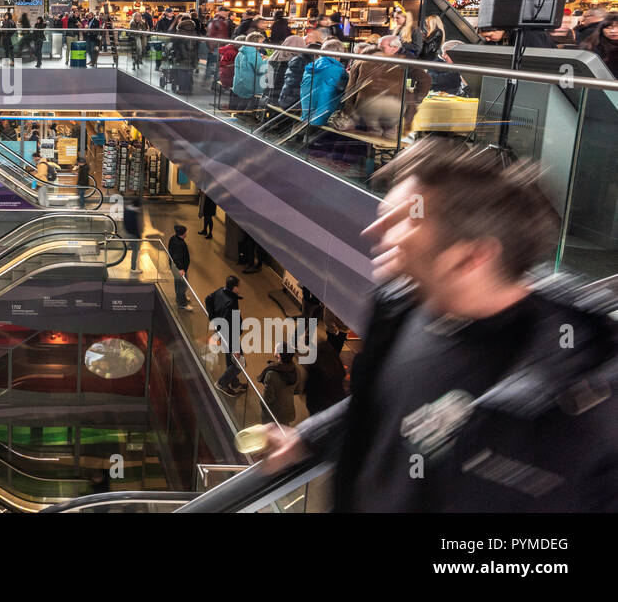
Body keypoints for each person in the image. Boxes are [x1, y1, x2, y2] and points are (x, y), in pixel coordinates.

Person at [260, 140, 618, 511]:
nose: (376, 228)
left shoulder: (576, 409)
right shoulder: (402, 310)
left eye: (406, 219)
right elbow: (383, 406)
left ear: (470, 258)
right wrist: (307, 436)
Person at [205, 276, 245, 396]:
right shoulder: (231, 302)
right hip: (229, 336)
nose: (240, 289)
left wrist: (213, 319)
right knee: (240, 363)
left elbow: (208, 299)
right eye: (239, 286)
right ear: (234, 288)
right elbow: (229, 324)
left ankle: (233, 382)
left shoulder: (220, 291)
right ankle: (221, 383)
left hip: (223, 334)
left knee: (230, 359)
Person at [299, 39, 348, 126]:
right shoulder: (338, 71)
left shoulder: (310, 67)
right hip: (325, 120)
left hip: (306, 116)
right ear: (338, 53)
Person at [258, 349, 303, 425]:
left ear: (279, 355)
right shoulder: (296, 371)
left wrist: (261, 399)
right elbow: (298, 389)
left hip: (273, 413)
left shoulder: (271, 374)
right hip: (288, 410)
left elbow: (268, 398)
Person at [167, 224, 194, 310]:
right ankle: (182, 303)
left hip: (175, 266)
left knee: (180, 284)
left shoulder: (173, 238)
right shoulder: (179, 244)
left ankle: (182, 298)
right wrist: (181, 269)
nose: (187, 233)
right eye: (186, 232)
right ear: (183, 233)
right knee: (181, 285)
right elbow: (176, 257)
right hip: (179, 268)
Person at [123, 193, 144, 274]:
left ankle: (128, 246)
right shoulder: (134, 214)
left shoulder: (127, 209)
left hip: (127, 232)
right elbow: (135, 227)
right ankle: (133, 268)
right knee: (136, 250)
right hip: (133, 234)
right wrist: (138, 235)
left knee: (133, 247)